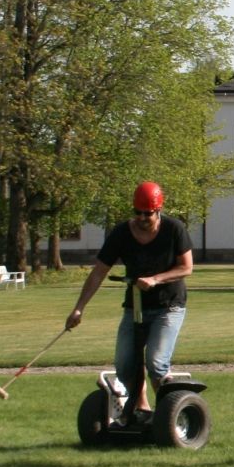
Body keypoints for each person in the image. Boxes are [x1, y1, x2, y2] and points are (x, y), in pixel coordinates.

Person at [65, 180, 194, 420]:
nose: (142, 218)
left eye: (148, 213)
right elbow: (98, 272)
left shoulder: (174, 229)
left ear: (158, 210)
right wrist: (79, 308)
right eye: (138, 212)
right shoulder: (121, 233)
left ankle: (169, 416)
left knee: (156, 363)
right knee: (125, 365)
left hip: (169, 306)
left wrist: (155, 279)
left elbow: (186, 268)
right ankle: (142, 409)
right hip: (135, 307)